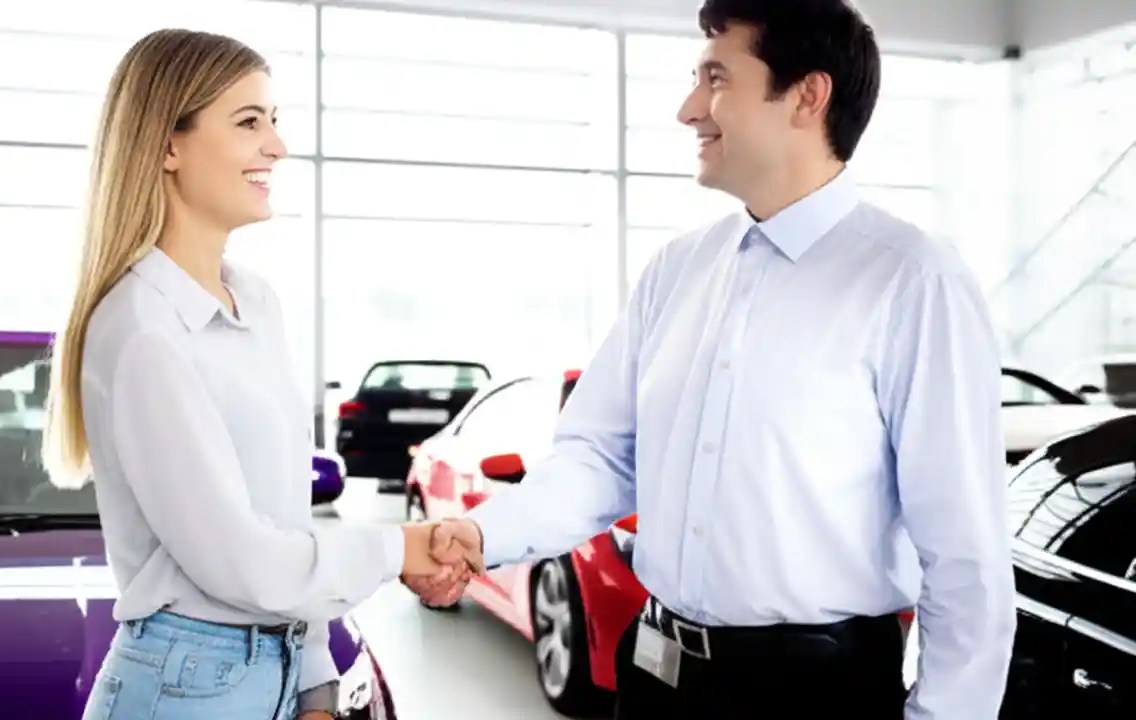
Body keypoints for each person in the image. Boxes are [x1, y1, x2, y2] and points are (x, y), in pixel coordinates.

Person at [408, 0, 1017, 717]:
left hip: (813, 694)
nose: (689, 108)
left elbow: (965, 551)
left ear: (807, 96)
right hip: (658, 671)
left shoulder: (913, 279)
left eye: (716, 78)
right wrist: (484, 534)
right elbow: (601, 458)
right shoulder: (678, 269)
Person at [39, 29, 467, 720]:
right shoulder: (143, 330)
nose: (277, 145)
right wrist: (405, 546)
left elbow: (280, 522)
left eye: (274, 120)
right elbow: (239, 563)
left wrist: (316, 680)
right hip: (184, 688)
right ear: (167, 146)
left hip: (275, 664)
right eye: (248, 122)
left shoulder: (255, 303)